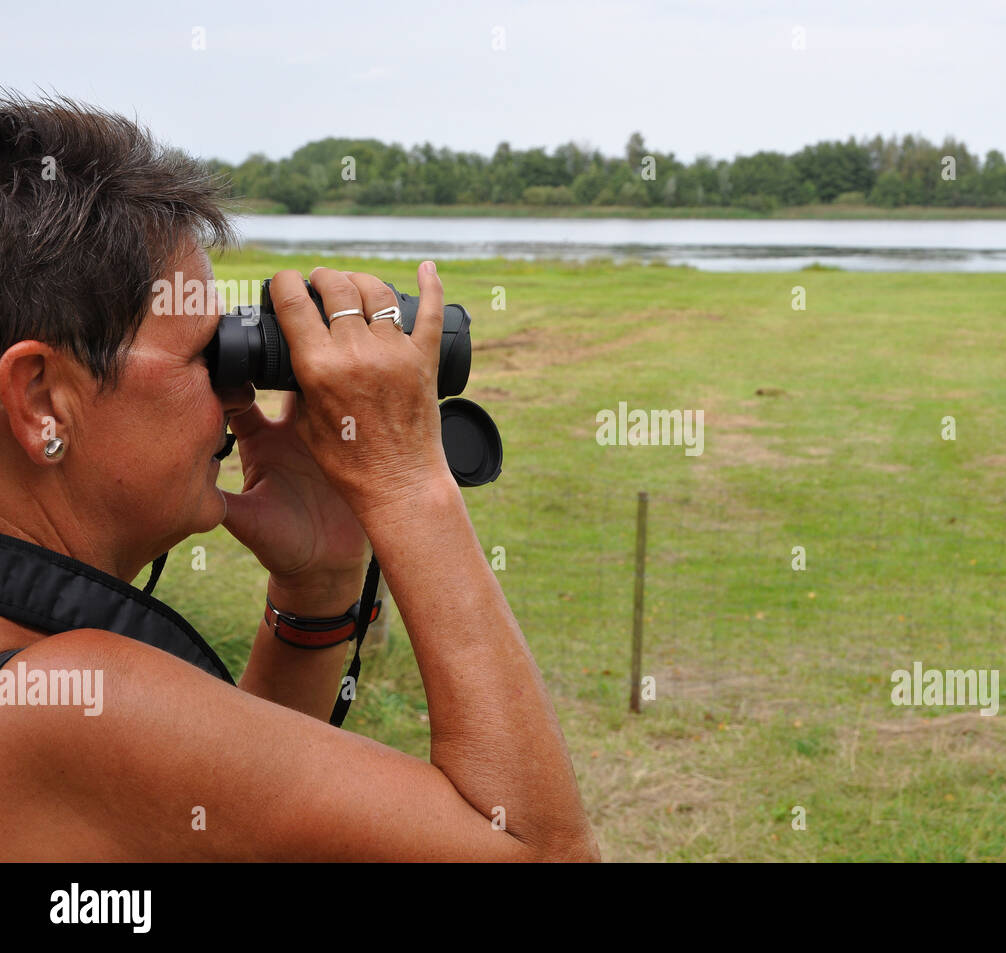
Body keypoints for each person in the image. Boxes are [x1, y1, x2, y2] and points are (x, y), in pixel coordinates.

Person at [0, 93, 599, 861]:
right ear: (44, 398)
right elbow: (546, 850)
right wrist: (406, 485)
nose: (237, 391)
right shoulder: (73, 702)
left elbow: (217, 829)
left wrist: (317, 587)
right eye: (203, 355)